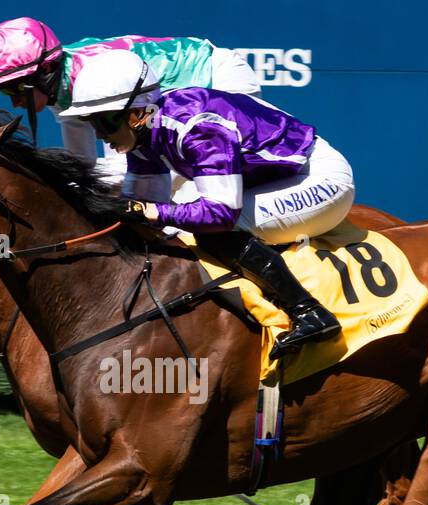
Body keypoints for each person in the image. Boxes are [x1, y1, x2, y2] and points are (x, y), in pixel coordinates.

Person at [59, 50, 353, 359]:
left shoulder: (197, 126)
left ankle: (309, 313)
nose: (100, 135)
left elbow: (220, 213)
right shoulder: (143, 136)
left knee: (213, 231)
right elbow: (141, 204)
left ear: (138, 113)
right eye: (92, 123)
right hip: (272, 180)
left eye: (105, 121)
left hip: (318, 179)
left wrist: (151, 212)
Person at [0, 17, 260, 196]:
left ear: (44, 72)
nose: (14, 101)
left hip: (220, 78)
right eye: (3, 91)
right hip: (177, 92)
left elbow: (121, 167)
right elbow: (80, 166)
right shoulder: (61, 84)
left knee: (188, 188)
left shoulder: (93, 81)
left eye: (14, 88)